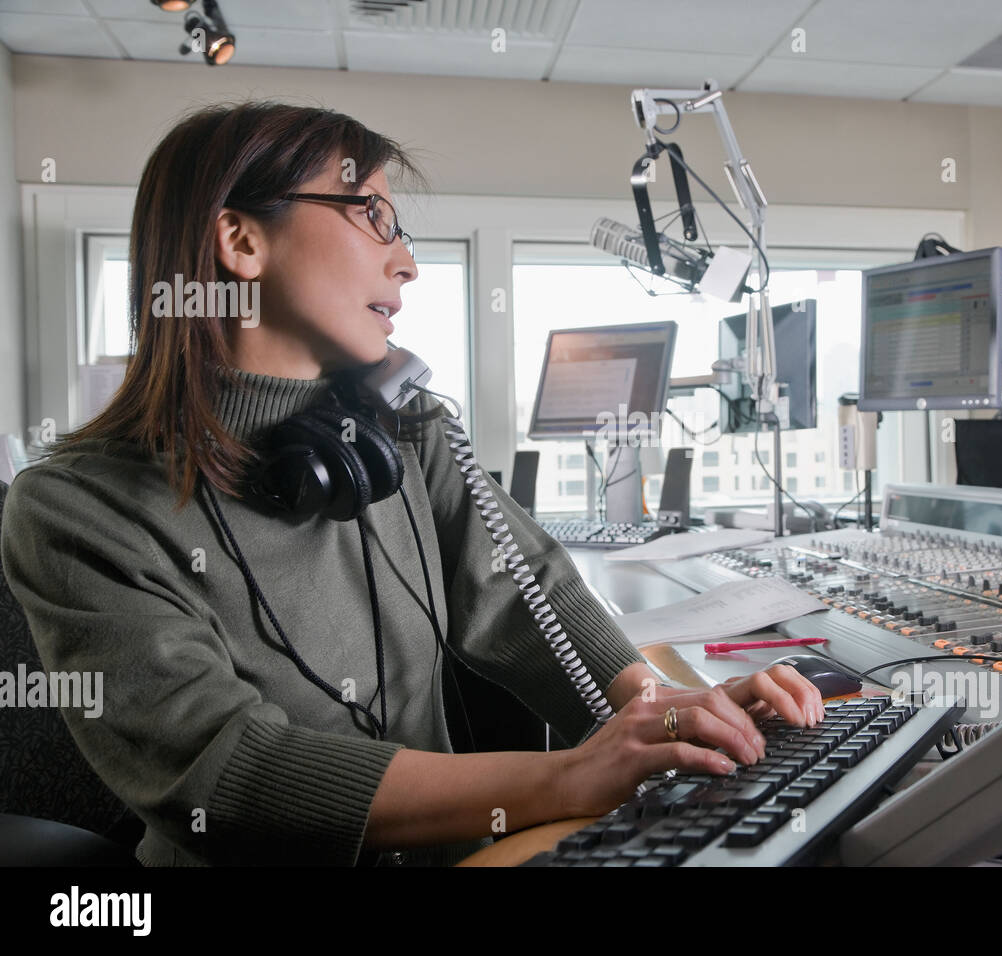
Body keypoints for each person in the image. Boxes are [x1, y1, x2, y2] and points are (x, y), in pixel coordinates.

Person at [0, 102, 825, 866]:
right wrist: (566, 779)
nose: (407, 262)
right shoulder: (75, 508)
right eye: (370, 214)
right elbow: (225, 771)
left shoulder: (400, 429)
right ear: (240, 241)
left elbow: (521, 591)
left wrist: (669, 711)